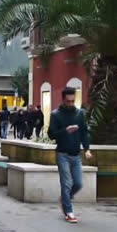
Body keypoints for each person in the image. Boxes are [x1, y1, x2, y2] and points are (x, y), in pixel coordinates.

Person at [48, 87, 92, 223]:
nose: (71, 104)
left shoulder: (79, 114)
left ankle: (65, 198)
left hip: (76, 155)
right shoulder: (56, 115)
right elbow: (51, 135)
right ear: (63, 100)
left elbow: (84, 133)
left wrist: (87, 149)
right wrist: (65, 131)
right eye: (68, 101)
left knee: (78, 184)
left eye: (73, 101)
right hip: (62, 154)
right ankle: (69, 212)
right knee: (66, 184)